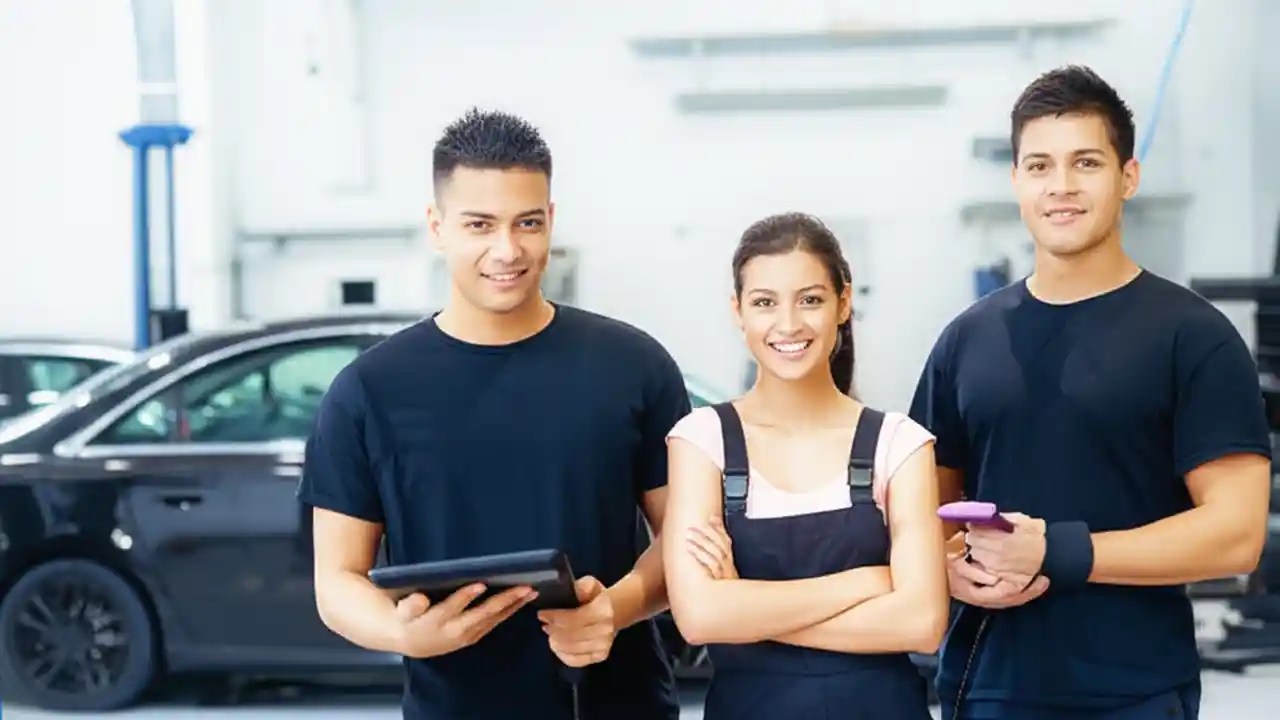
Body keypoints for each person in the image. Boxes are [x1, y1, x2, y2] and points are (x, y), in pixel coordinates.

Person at [297, 108, 690, 720]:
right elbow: (337, 582)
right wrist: (405, 634)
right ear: (437, 226)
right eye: (479, 225)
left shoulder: (633, 366)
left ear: (550, 221)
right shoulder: (367, 392)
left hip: (618, 703)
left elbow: (684, 540)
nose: (507, 250)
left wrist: (617, 607)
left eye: (526, 223)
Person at [909, 65, 1273, 720]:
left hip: (1133, 692)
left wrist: (1057, 550)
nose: (1062, 187)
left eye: (1086, 163)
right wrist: (943, 563)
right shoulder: (966, 341)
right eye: (1040, 166)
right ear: (1017, 181)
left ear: (1128, 176)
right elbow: (918, 514)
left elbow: (1234, 534)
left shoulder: (1194, 338)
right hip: (988, 686)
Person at [663, 212, 950, 719]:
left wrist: (744, 609)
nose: (789, 324)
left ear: (843, 303)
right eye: (765, 303)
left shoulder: (898, 444)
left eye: (811, 300)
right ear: (738, 312)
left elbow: (922, 621)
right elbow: (699, 618)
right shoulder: (701, 441)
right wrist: (864, 583)